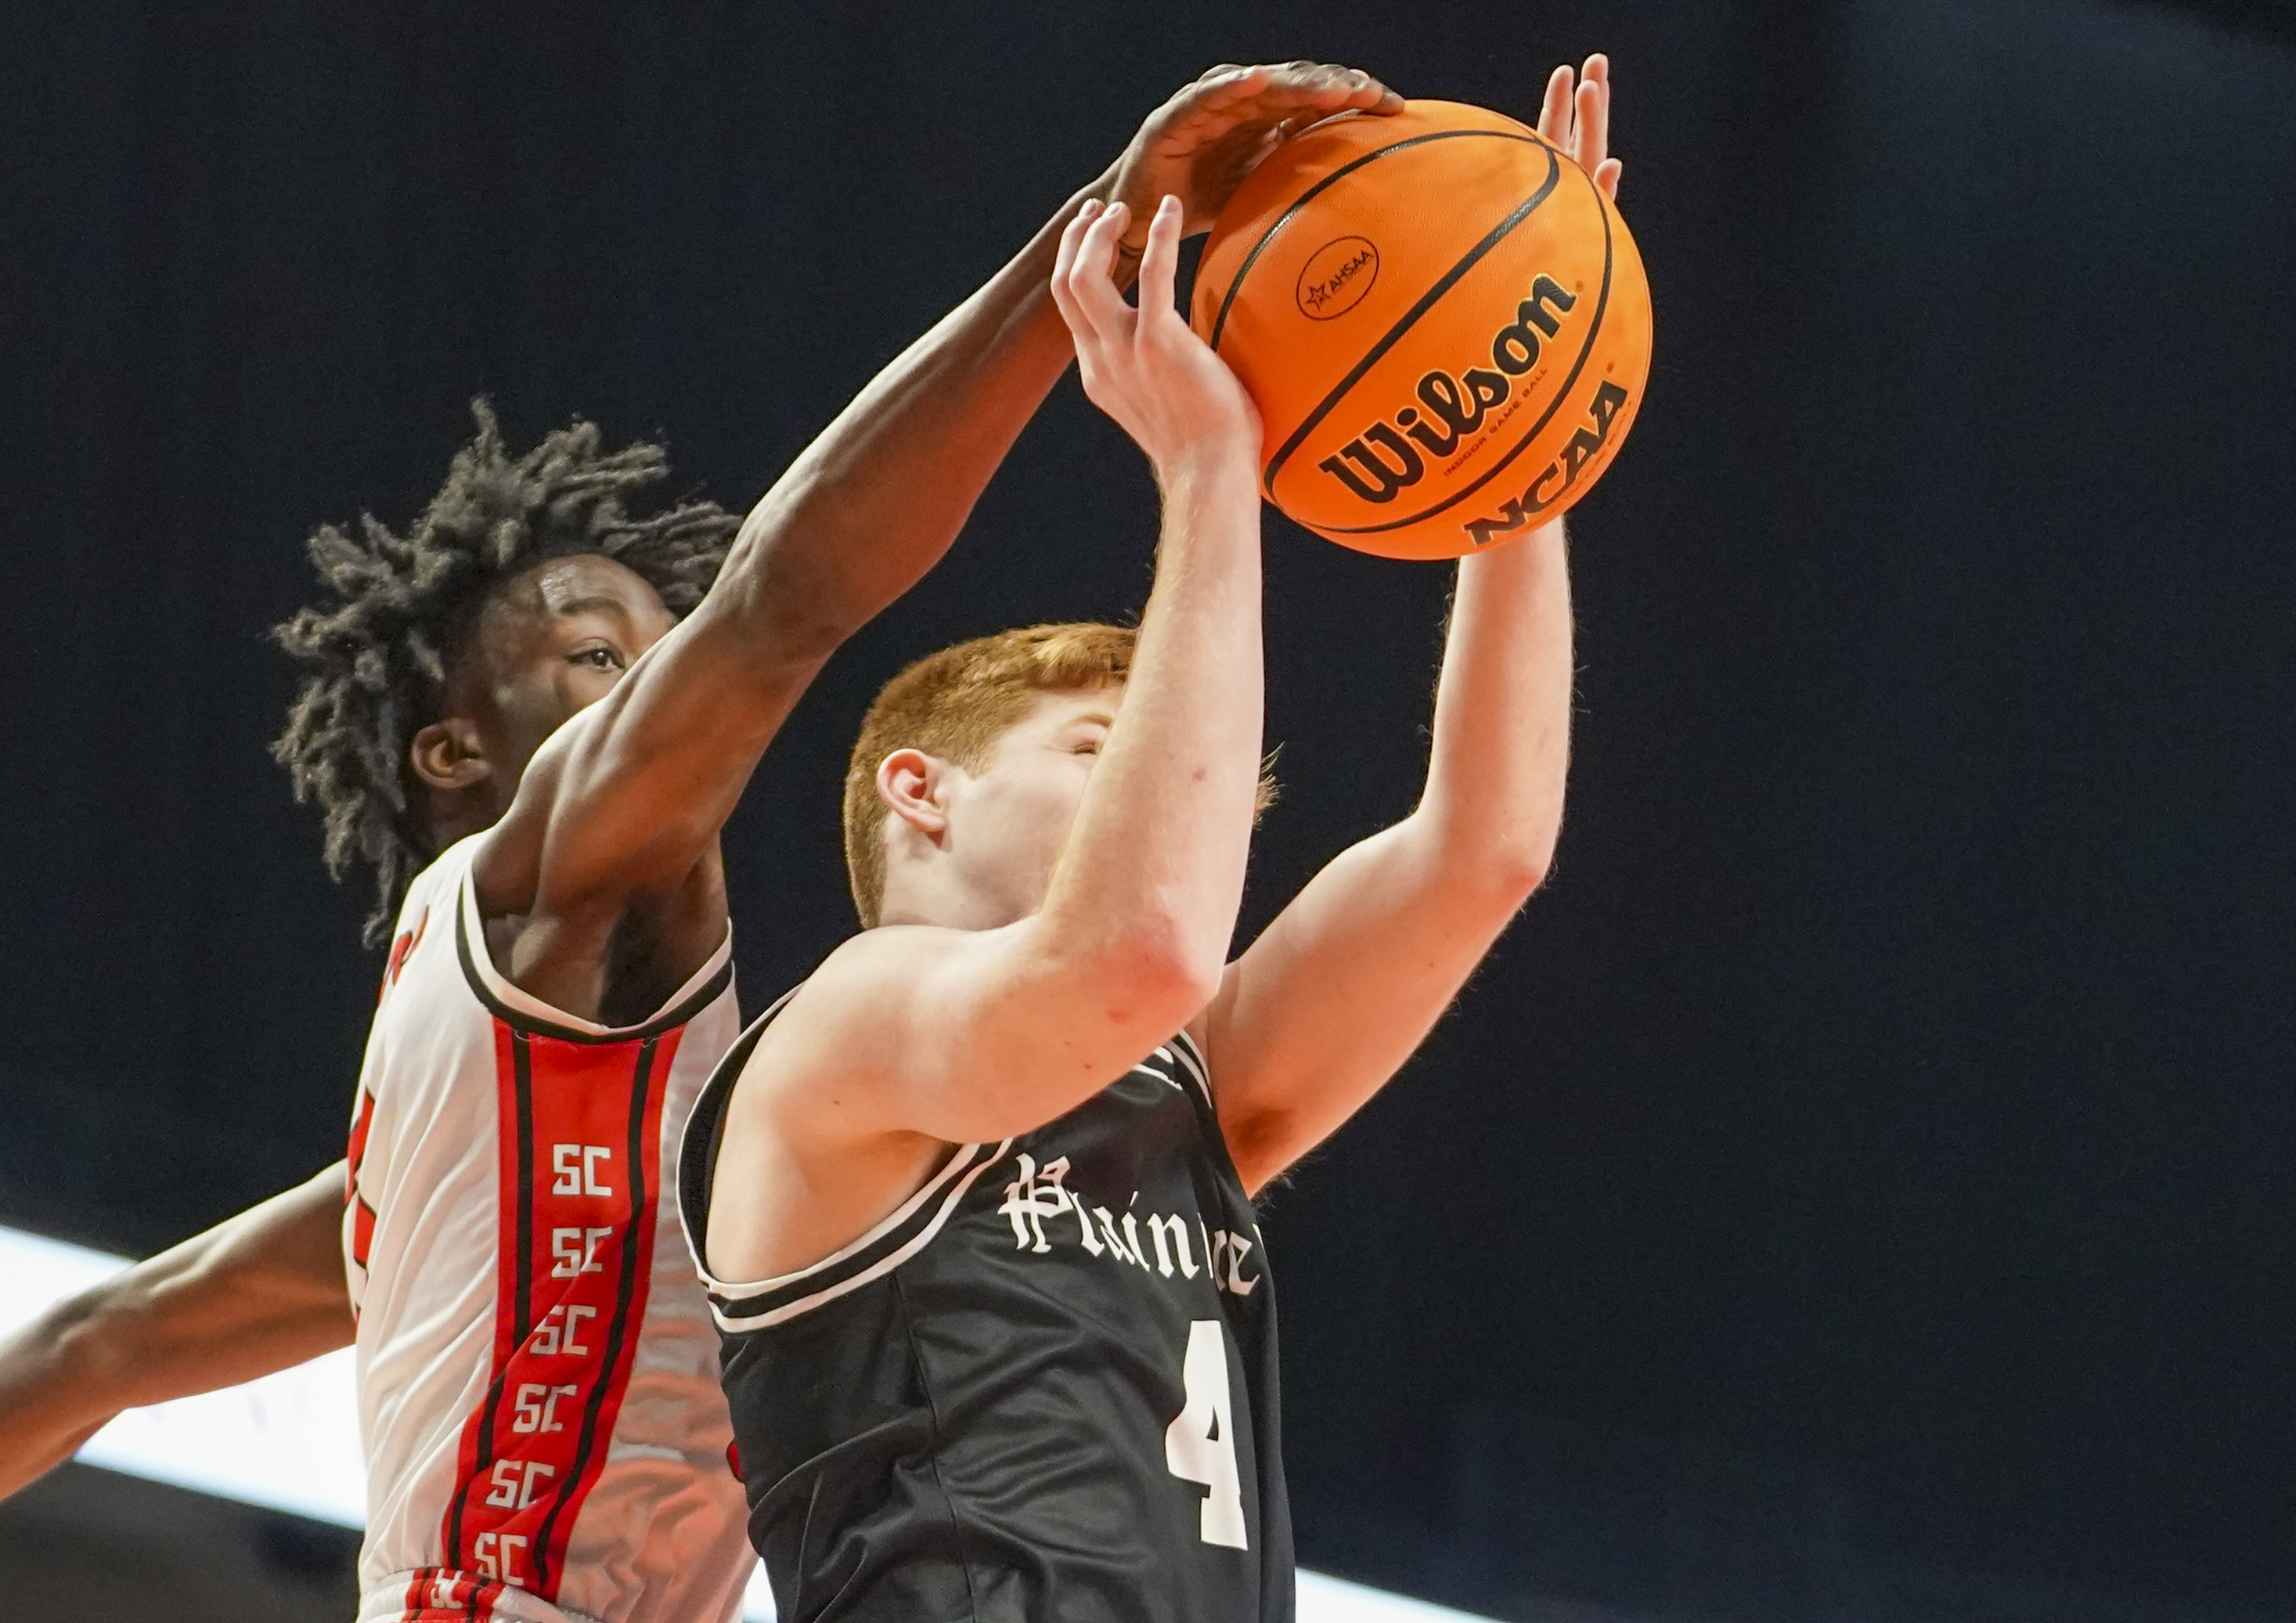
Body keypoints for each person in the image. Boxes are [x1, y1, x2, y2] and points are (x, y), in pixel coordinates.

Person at [0, 62, 1414, 1621]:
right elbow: (787, 599)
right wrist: (1086, 243)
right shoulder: (541, 888)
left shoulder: (464, 1130)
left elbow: (109, 1341)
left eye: (661, 654)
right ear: (455, 746)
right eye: (604, 658)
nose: (668, 693)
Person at [679, 60, 1618, 1623]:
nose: (1188, 802)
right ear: (923, 789)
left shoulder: (1193, 1089)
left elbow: (1486, 847)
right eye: (1102, 747)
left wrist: (1516, 463)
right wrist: (1207, 469)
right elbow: (1142, 949)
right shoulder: (838, 1036)